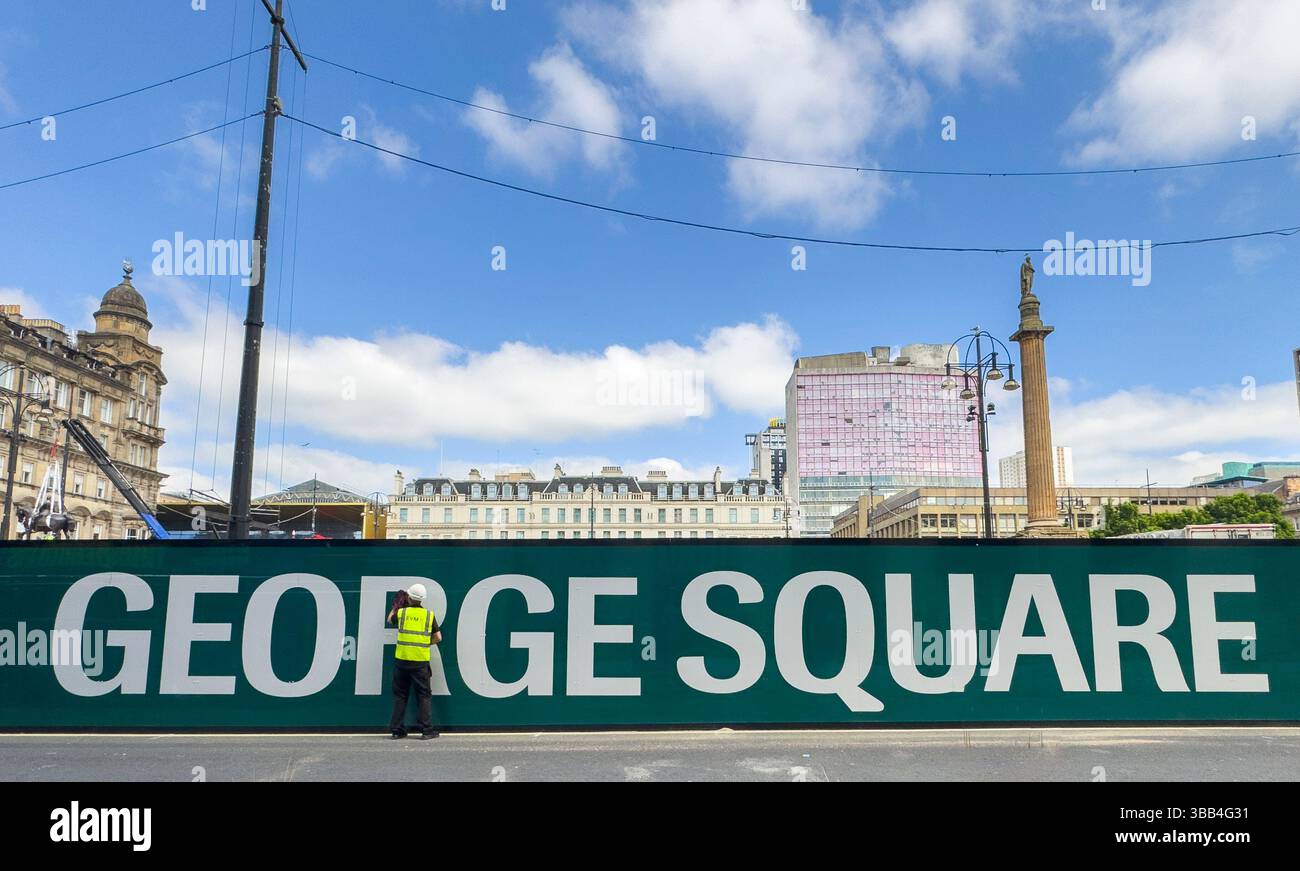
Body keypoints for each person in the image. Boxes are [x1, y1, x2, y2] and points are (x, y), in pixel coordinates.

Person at [387, 583, 442, 739]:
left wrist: (396, 605)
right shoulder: (429, 616)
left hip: (402, 661)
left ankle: (397, 730)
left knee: (401, 696)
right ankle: (426, 731)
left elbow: (390, 620)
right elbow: (438, 637)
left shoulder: (402, 613)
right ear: (422, 600)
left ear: (408, 597)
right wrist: (425, 643)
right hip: (420, 663)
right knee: (424, 696)